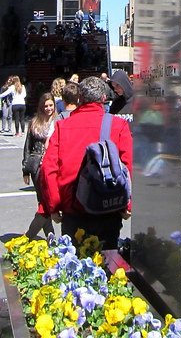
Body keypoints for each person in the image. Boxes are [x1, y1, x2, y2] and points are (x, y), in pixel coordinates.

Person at [40, 76, 133, 249]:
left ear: (80, 99)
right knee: (108, 261)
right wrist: (128, 202)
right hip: (109, 205)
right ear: (104, 98)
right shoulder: (118, 125)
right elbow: (129, 166)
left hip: (72, 208)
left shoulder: (63, 126)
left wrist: (54, 205)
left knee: (73, 266)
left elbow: (48, 168)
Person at [22, 92, 58, 239]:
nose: (49, 108)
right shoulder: (35, 122)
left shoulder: (59, 120)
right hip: (37, 166)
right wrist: (25, 169)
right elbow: (27, 147)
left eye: (51, 105)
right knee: (43, 201)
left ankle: (34, 236)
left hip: (54, 165)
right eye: (46, 106)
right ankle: (47, 237)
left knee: (47, 202)